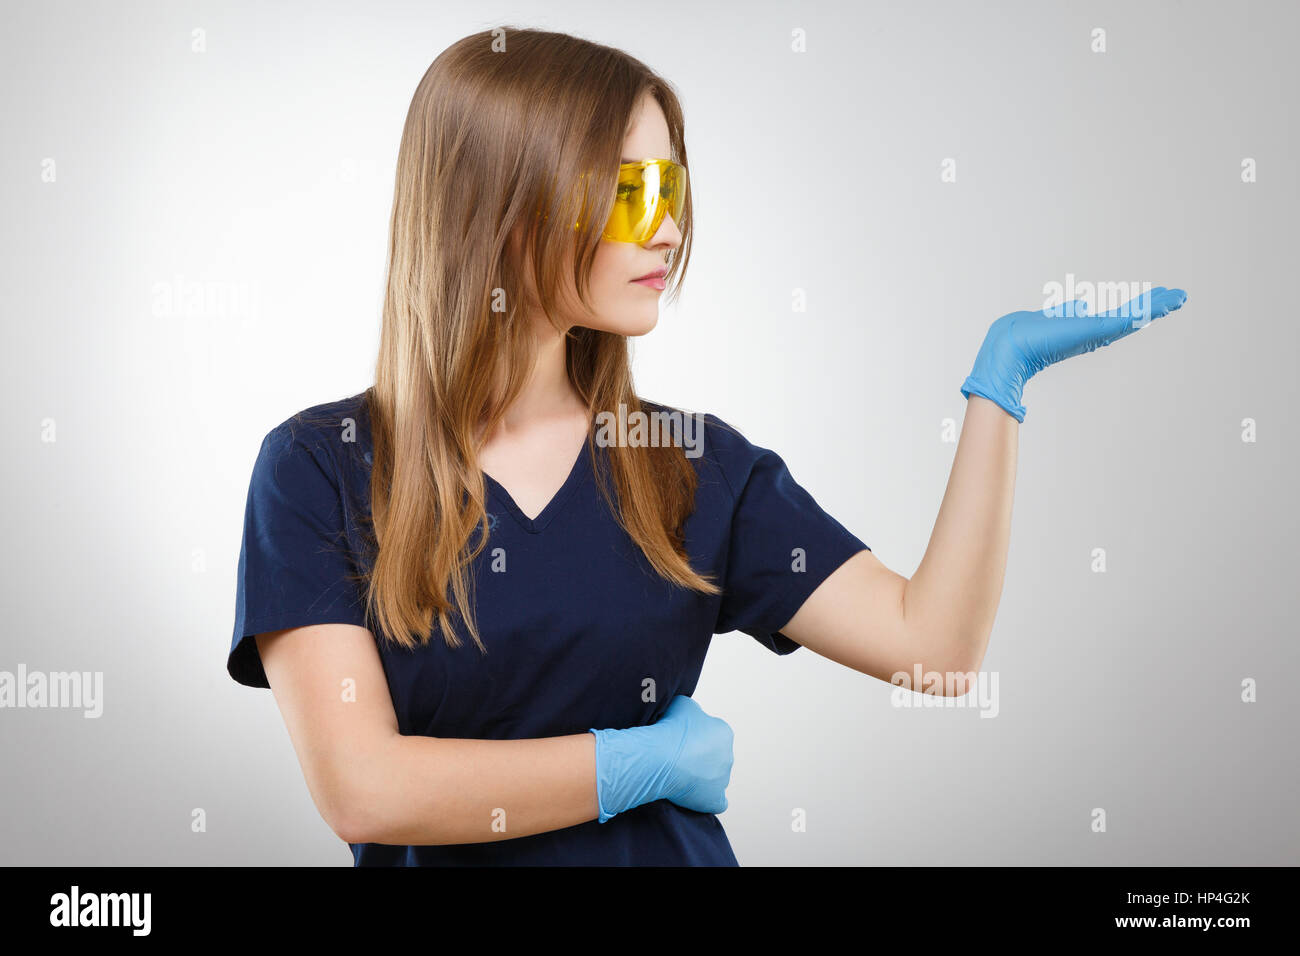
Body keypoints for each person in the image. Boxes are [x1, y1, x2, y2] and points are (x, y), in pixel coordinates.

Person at [226, 26, 1187, 866]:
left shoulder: (687, 467)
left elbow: (934, 647)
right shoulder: (321, 467)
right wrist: (633, 764)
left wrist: (999, 387)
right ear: (504, 205)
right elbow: (365, 791)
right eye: (630, 193)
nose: (672, 229)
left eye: (673, 190)